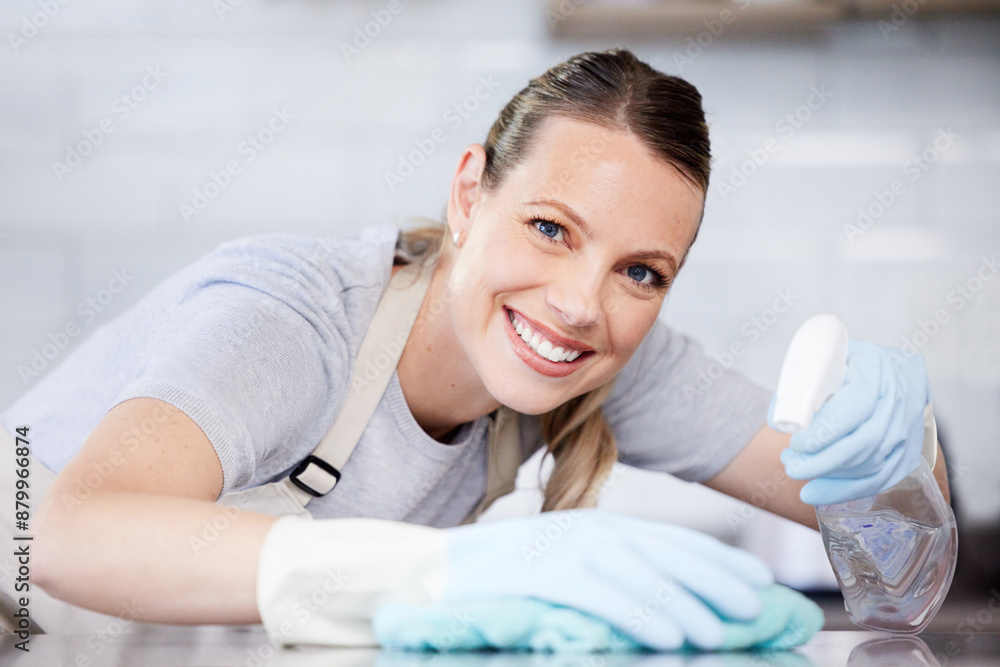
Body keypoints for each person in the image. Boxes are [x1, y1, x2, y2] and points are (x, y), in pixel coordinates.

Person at [0, 48, 950, 650]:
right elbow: (65, 534)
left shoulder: (599, 359)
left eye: (642, 271)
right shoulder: (291, 318)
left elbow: (890, 550)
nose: (580, 304)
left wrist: (903, 458)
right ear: (469, 194)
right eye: (549, 227)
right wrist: (443, 574)